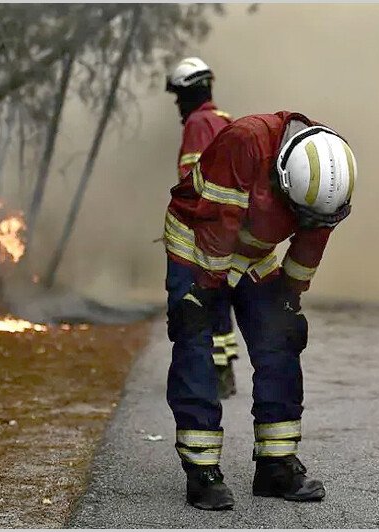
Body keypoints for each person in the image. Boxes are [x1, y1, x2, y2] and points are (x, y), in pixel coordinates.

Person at [163, 110, 357, 510]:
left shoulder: (324, 182)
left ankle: (276, 466)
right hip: (197, 246)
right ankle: (201, 472)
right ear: (282, 177)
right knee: (196, 340)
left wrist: (290, 299)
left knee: (281, 342)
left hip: (253, 251)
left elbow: (309, 244)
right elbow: (218, 226)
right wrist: (205, 296)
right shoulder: (245, 141)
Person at [165, 57, 239, 399]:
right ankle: (224, 371)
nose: (178, 105)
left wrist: (185, 225)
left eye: (179, 96)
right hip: (230, 230)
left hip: (203, 232)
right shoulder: (227, 121)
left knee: (193, 303)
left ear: (189, 94)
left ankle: (199, 375)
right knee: (220, 298)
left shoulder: (197, 122)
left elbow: (191, 180)